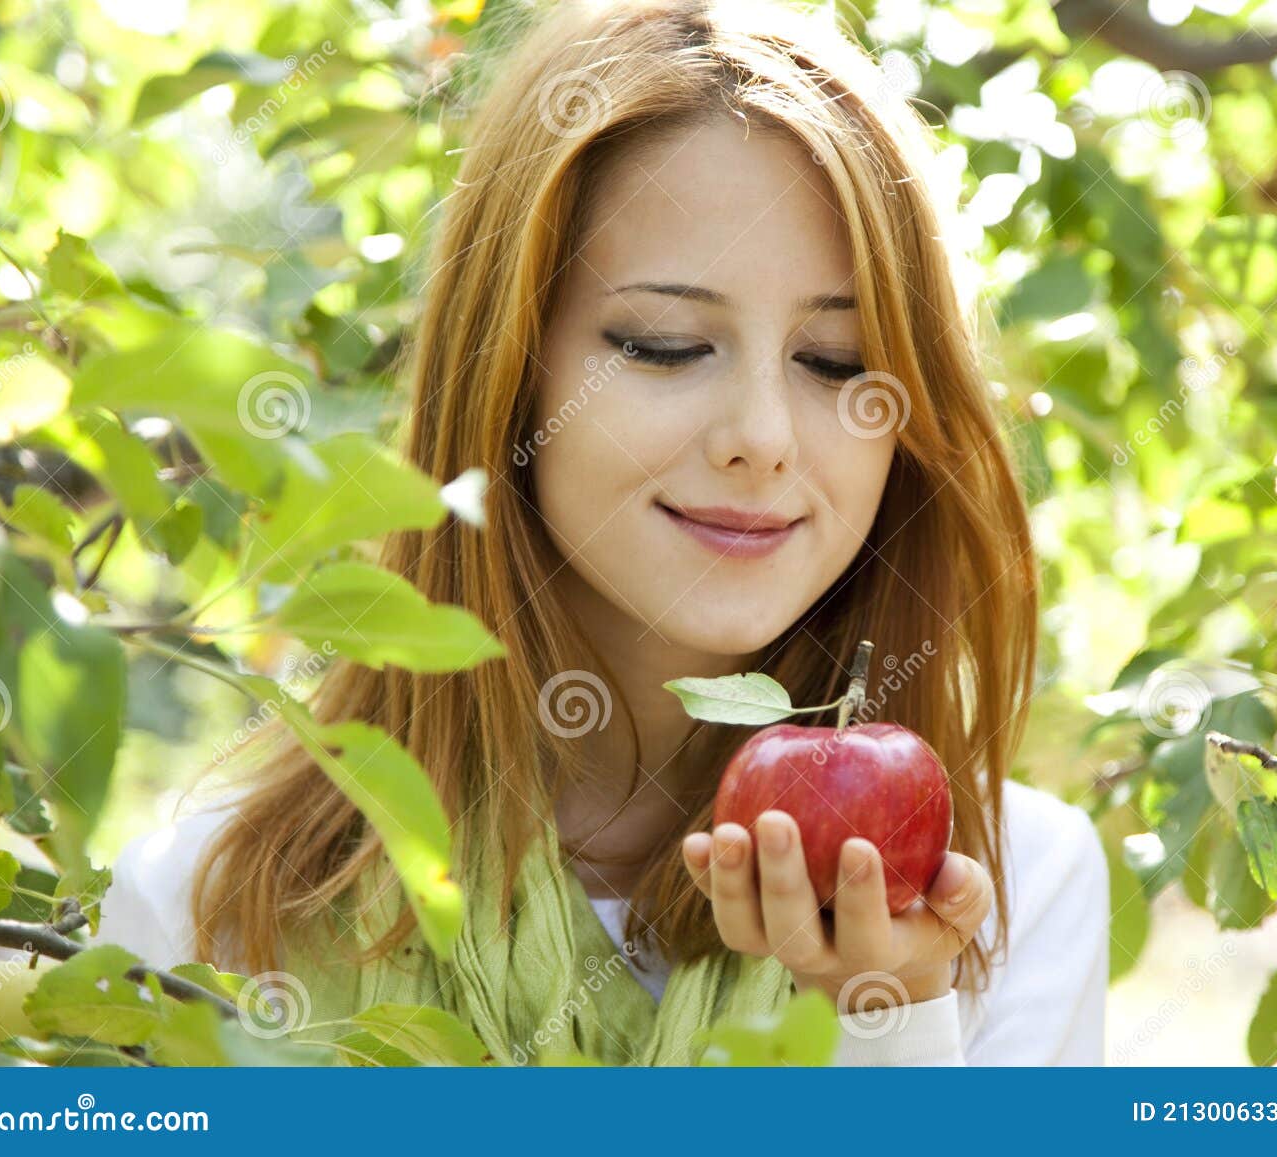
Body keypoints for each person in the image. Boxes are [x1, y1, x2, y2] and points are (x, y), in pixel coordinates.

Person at [97, 0, 1109, 1066]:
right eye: (664, 344)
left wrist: (886, 1016)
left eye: (838, 361)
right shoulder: (212, 906)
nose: (761, 438)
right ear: (511, 373)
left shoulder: (1005, 890)